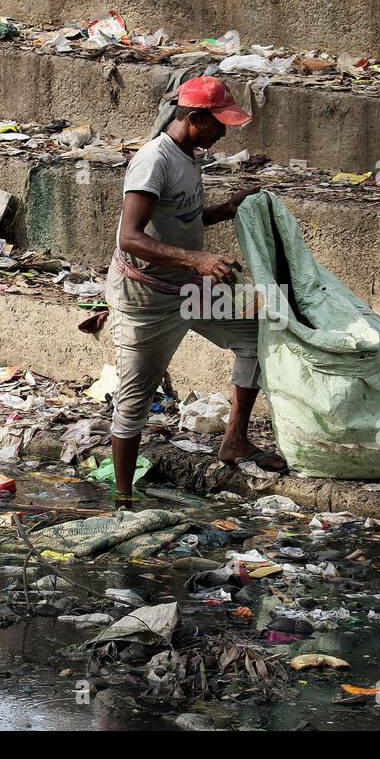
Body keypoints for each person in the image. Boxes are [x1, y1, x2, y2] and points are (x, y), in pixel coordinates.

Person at [106, 75, 286, 500]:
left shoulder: (190, 154)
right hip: (146, 300)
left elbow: (181, 219)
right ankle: (124, 498)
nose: (223, 132)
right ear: (193, 118)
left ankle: (235, 440)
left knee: (256, 335)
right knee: (133, 405)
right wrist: (199, 260)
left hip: (188, 289)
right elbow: (129, 238)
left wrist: (224, 210)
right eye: (218, 123)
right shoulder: (155, 160)